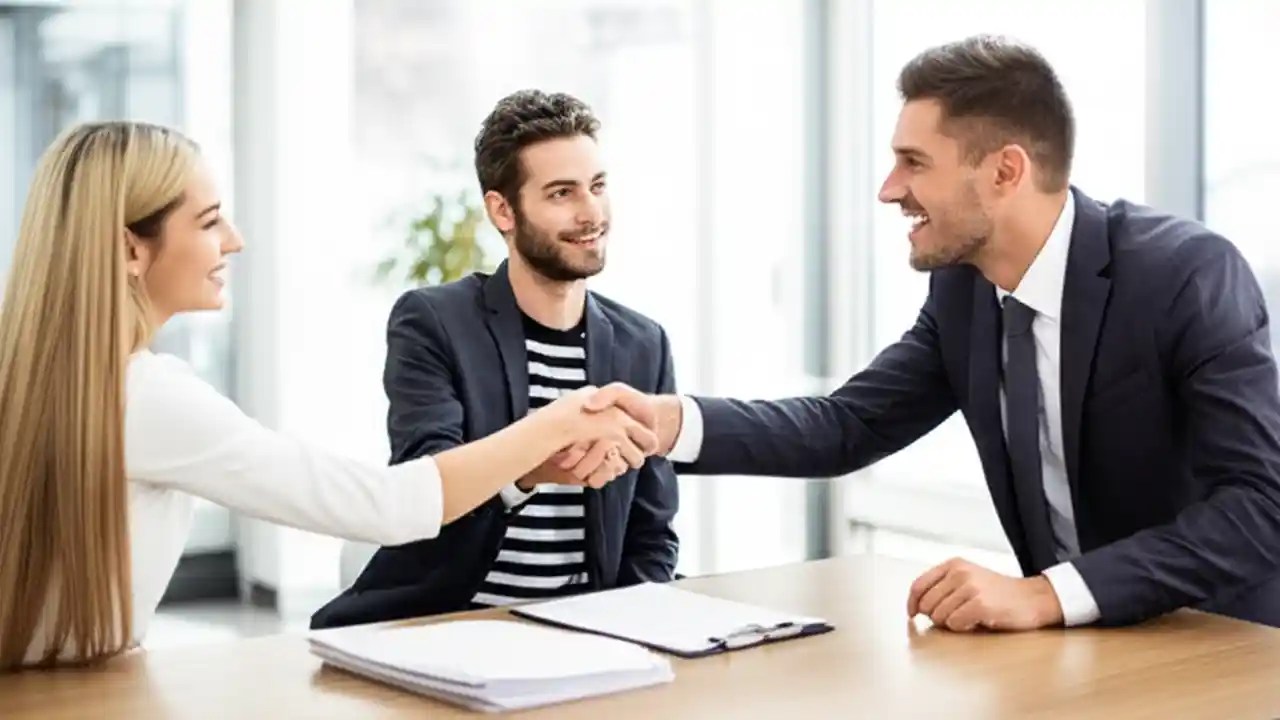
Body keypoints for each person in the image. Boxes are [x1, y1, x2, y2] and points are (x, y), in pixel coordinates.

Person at [578, 34, 1280, 632]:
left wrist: (1043, 594)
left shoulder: (1184, 274)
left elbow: (1258, 509)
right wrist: (671, 424)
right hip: (1081, 649)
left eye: (914, 162)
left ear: (1006, 170)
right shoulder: (964, 292)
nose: (889, 188)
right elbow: (848, 425)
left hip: (1224, 642)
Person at [0, 121, 655, 671]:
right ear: (128, 250)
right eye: (208, 221)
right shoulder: (149, 398)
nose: (233, 239)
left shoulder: (54, 379)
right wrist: (563, 418)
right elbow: (393, 505)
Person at [310, 90, 680, 629]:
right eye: (561, 193)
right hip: (452, 626)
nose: (591, 212)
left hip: (589, 635)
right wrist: (529, 467)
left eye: (597, 187)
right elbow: (425, 487)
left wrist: (634, 636)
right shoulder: (433, 322)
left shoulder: (644, 343)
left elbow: (652, 532)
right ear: (502, 210)